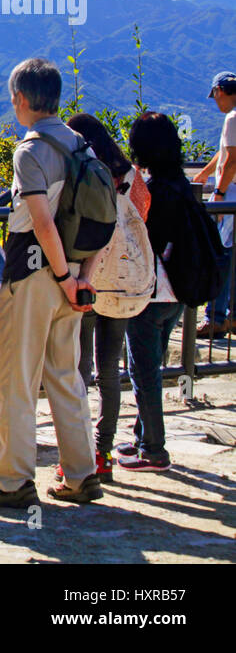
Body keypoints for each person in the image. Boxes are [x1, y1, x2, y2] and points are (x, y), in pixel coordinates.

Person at [0, 58, 105, 508]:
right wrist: (81, 278)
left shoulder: (30, 152)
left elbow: (43, 223)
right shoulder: (83, 146)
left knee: (18, 380)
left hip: (32, 276)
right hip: (74, 277)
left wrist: (63, 277)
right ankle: (81, 474)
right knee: (66, 376)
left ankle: (12, 481)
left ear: (21, 99)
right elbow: (100, 218)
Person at [64, 112, 151, 482]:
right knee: (110, 371)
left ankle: (81, 453)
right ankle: (104, 452)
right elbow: (142, 218)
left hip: (87, 278)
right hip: (123, 282)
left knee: (80, 370)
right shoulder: (132, 177)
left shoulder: (84, 171)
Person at [121, 113, 193, 471]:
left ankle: (154, 450)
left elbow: (140, 238)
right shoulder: (181, 185)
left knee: (143, 371)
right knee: (151, 367)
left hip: (148, 293)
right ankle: (141, 439)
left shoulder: (153, 189)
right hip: (178, 292)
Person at [192, 71, 236, 338]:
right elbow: (225, 151)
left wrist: (218, 192)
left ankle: (215, 318)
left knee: (219, 256)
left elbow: (232, 159)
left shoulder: (232, 117)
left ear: (220, 90)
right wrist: (207, 172)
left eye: (215, 95)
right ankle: (231, 317)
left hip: (230, 195)